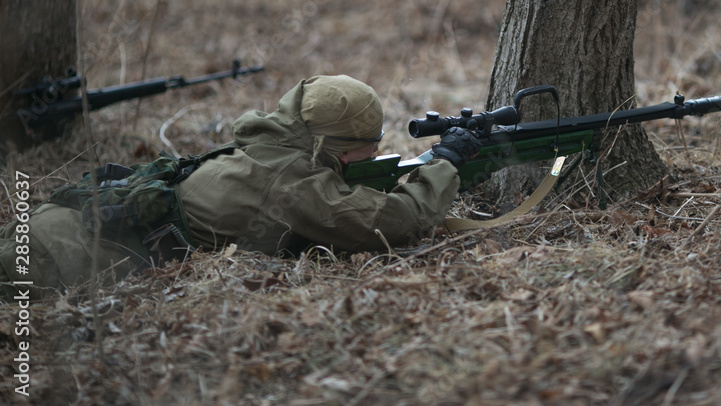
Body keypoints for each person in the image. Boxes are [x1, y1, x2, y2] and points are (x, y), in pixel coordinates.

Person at [0, 75, 481, 301]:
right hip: (53, 259)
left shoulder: (269, 148)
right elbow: (397, 223)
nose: (376, 155)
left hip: (48, 227)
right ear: (329, 146)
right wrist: (445, 163)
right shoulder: (288, 182)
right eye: (368, 146)